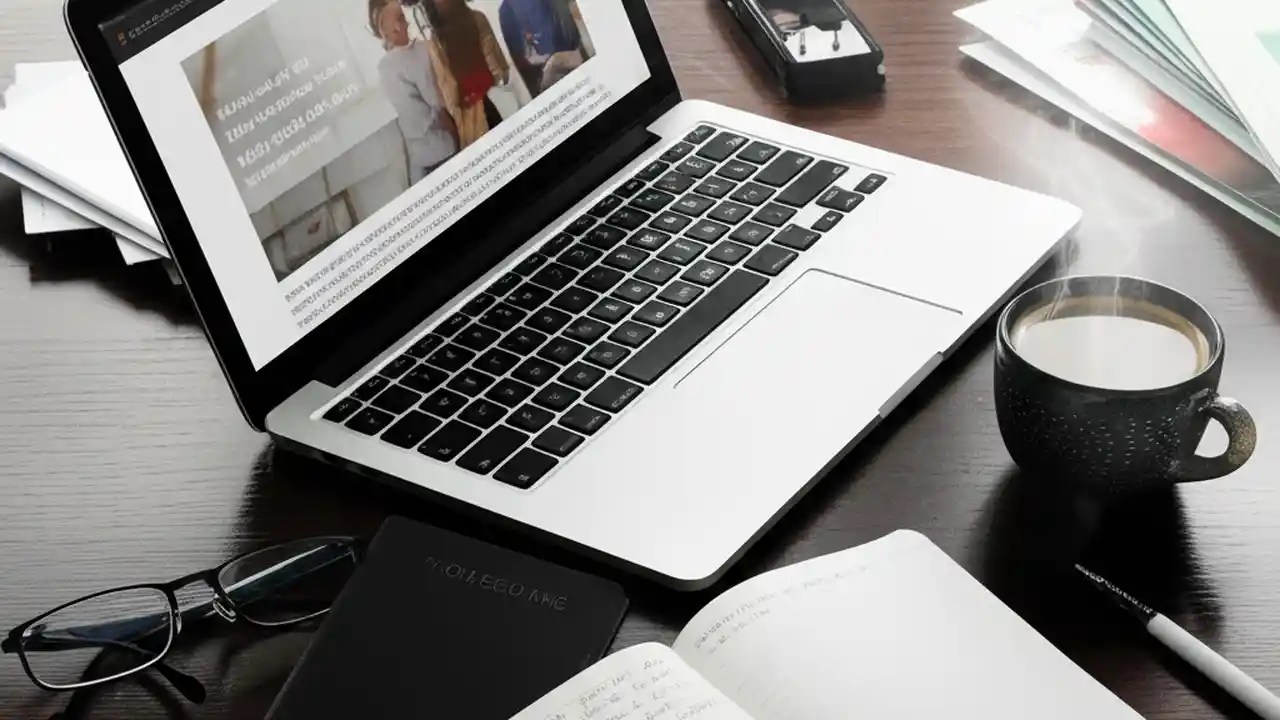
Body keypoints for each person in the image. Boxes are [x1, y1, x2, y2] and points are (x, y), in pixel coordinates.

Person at [369, 0, 460, 184]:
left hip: (447, 141)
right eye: (401, 18)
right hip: (438, 152)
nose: (408, 22)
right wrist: (450, 125)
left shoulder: (423, 48)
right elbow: (420, 114)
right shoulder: (391, 67)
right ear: (389, 29)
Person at [422, 0, 511, 149]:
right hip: (473, 120)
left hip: (486, 109)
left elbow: (499, 71)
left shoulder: (476, 20)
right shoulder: (437, 41)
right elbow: (448, 92)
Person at [498, 0, 584, 97]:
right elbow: (520, 61)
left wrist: (578, 55)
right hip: (547, 80)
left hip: (577, 63)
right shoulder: (506, 11)